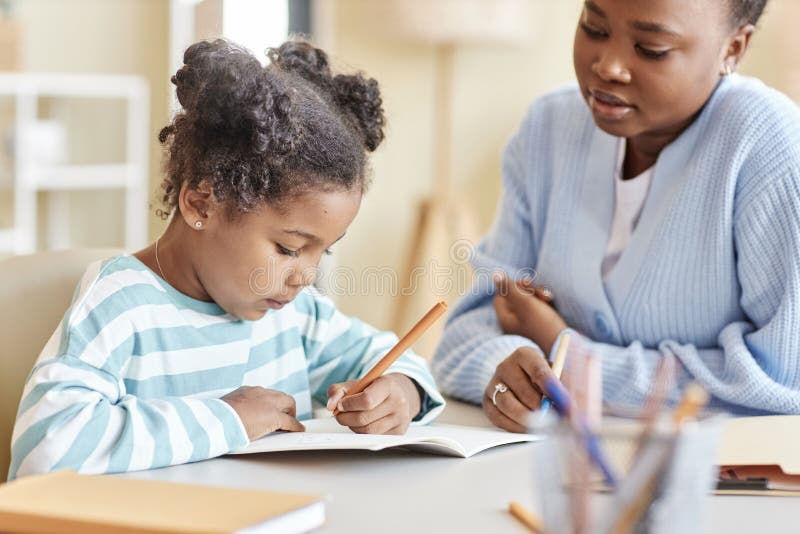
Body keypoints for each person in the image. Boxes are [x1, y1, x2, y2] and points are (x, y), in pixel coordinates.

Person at [9, 39, 444, 479]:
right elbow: (45, 448)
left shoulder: (296, 318)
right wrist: (227, 419)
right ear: (201, 203)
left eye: (323, 251)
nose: (306, 276)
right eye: (289, 249)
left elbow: (389, 356)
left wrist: (401, 393)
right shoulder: (123, 305)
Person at [433, 0, 800, 432]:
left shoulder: (770, 148)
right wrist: (505, 372)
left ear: (733, 49)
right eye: (594, 27)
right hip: (546, 471)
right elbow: (462, 339)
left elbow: (779, 383)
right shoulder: (548, 127)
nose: (608, 66)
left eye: (651, 48)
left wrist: (564, 351)